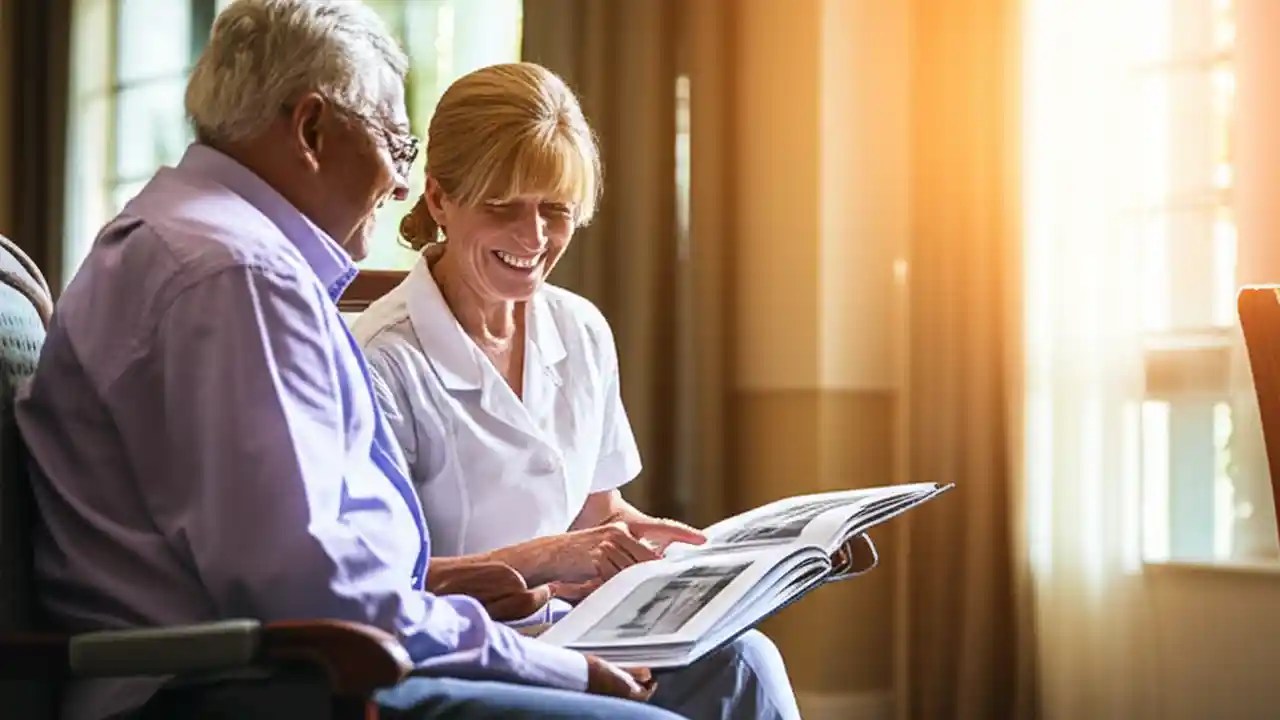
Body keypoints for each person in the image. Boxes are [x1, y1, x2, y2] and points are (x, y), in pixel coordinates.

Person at [14, 2, 679, 719]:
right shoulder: (237, 275)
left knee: (723, 673)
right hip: (239, 686)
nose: (400, 184)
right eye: (394, 140)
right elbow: (318, 593)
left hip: (274, 663)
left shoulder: (192, 239)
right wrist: (553, 666)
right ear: (311, 130)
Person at [350, 62, 803, 720]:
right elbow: (375, 583)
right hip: (458, 654)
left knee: (747, 661)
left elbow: (598, 514)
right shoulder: (380, 359)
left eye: (554, 210)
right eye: (503, 207)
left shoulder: (579, 328)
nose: (533, 238)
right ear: (440, 199)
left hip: (570, 628)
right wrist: (553, 556)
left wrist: (702, 559)